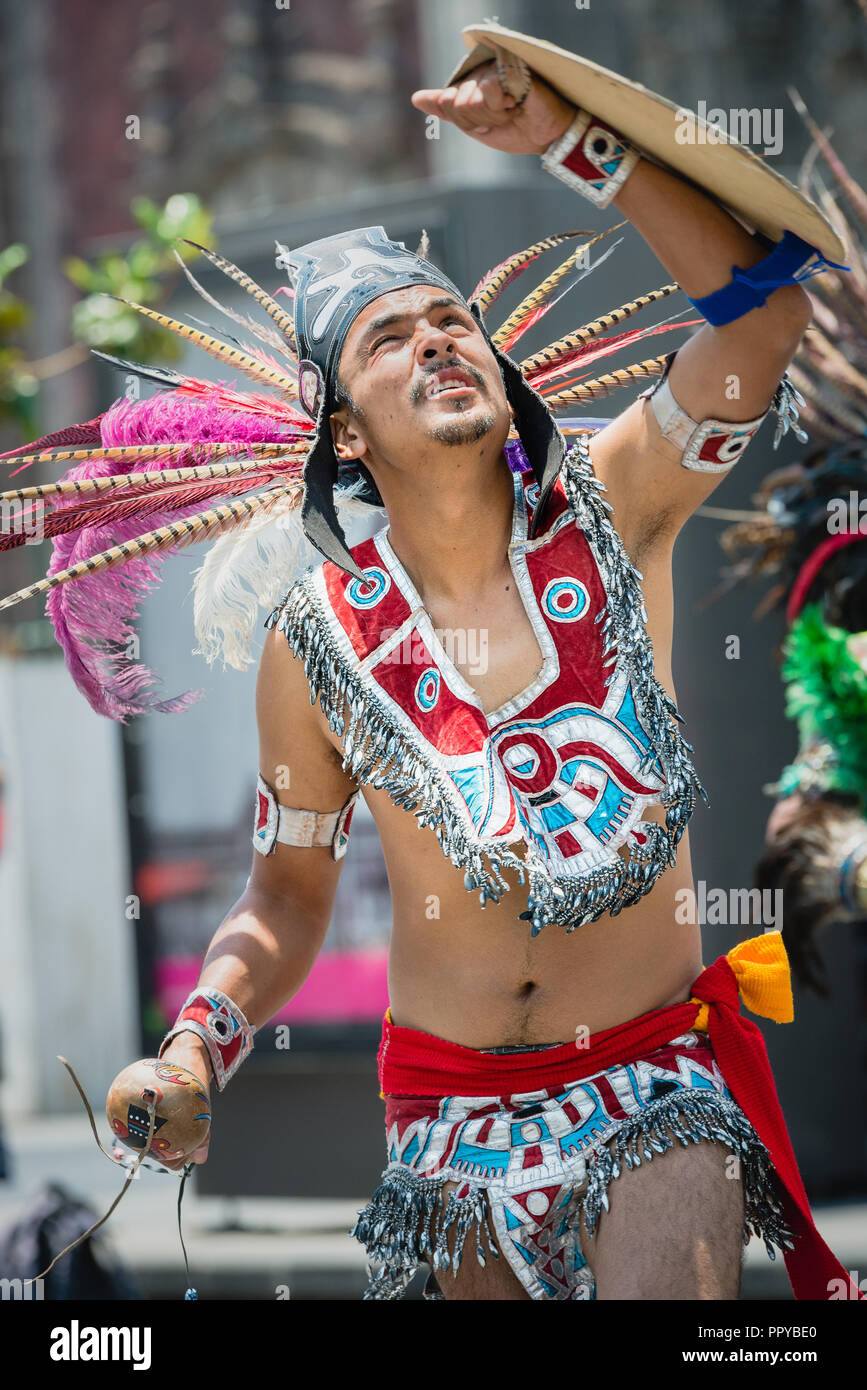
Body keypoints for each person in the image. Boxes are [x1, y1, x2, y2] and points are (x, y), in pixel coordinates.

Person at [0, 37, 858, 1301]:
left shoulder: (617, 509)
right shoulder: (319, 641)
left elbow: (764, 310)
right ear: (345, 429)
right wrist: (193, 1054)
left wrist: (576, 142)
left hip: (653, 1080)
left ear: (504, 381)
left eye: (454, 322)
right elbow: (287, 898)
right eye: (389, 340)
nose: (438, 343)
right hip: (448, 1130)